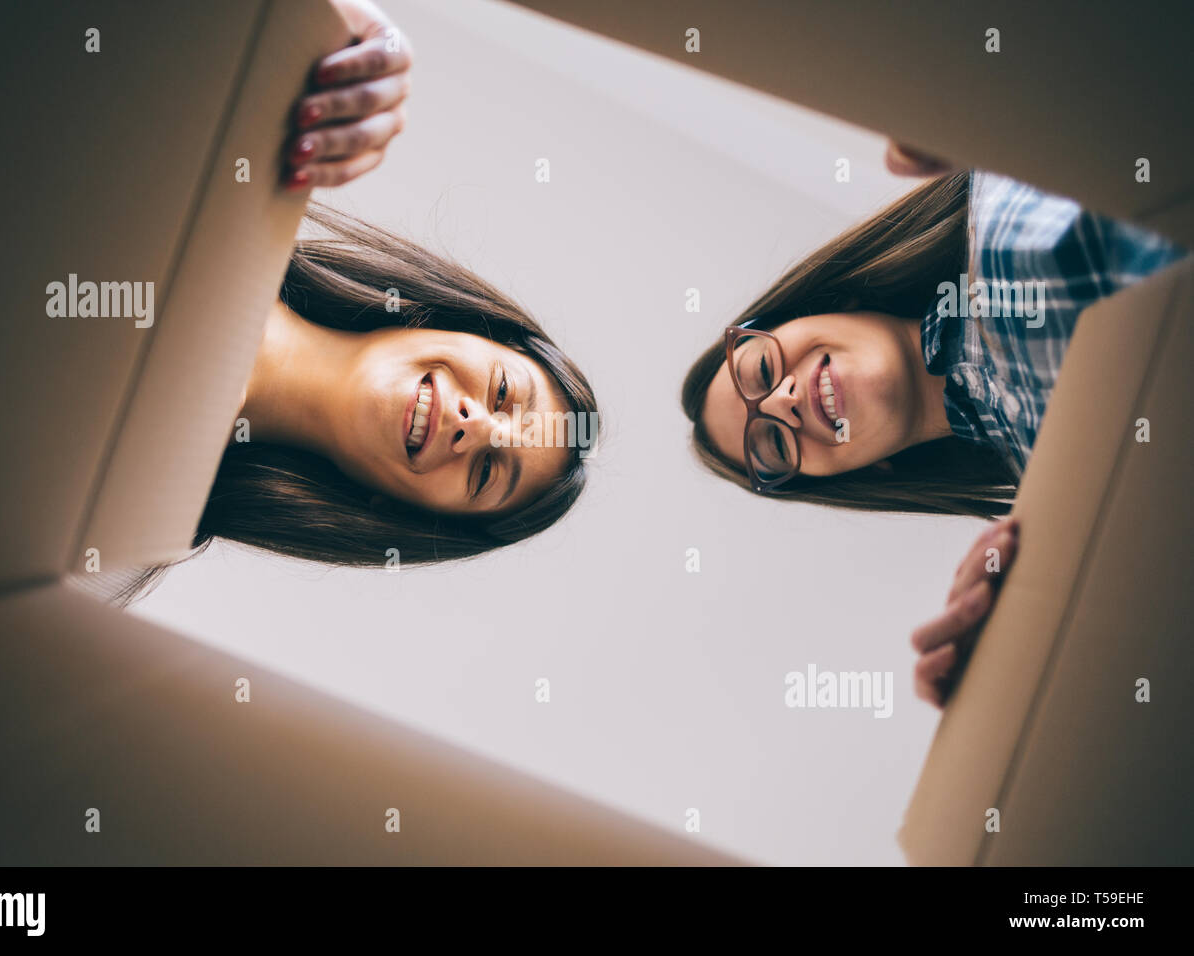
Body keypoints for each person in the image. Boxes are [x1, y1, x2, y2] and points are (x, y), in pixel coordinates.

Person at [109, 1, 600, 604]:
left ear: (400, 512)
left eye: (485, 472)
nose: (475, 427)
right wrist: (313, 26)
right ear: (457, 323)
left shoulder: (129, 539)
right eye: (502, 392)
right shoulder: (244, 174)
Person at [681, 151, 1185, 704]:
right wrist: (1017, 660)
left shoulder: (1003, 205)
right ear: (860, 471)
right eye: (773, 445)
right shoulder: (1053, 512)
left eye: (761, 370)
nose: (783, 404)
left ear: (820, 307)